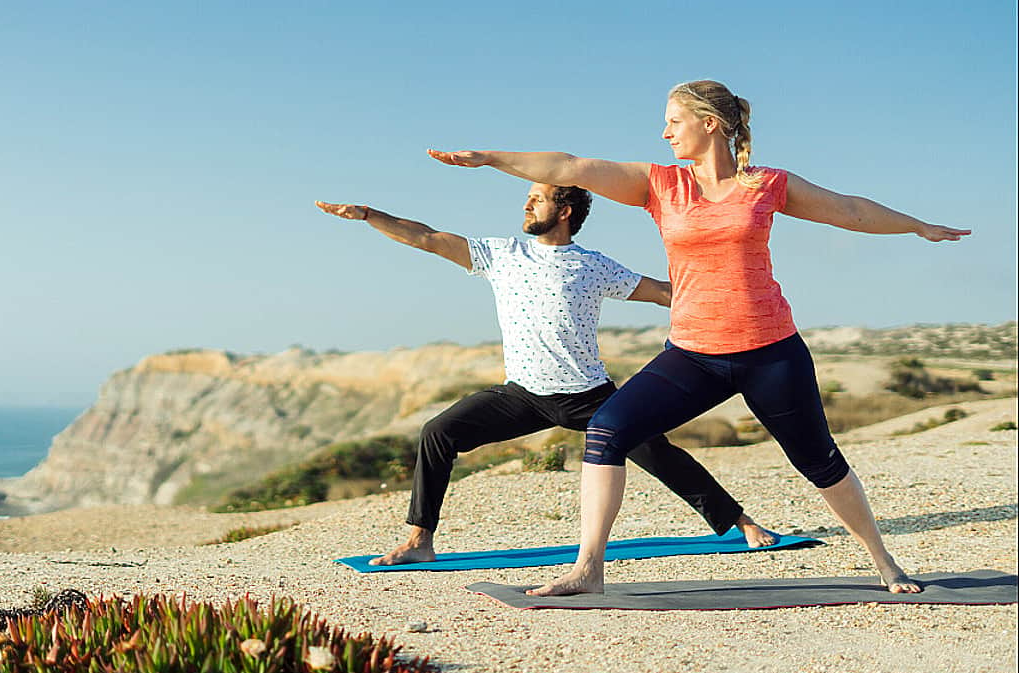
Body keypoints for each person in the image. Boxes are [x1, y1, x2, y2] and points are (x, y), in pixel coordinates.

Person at [430, 79, 970, 595]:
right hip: (694, 354)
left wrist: (917, 225)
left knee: (819, 461)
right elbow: (570, 166)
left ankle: (884, 561)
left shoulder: (765, 183)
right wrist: (489, 159)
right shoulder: (661, 185)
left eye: (673, 121)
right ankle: (588, 568)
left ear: (710, 124)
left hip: (770, 352)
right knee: (608, 429)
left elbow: (849, 211)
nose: (665, 133)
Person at [315, 181, 777, 566]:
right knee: (439, 432)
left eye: (537, 197)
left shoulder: (592, 266)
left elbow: (662, 292)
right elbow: (428, 237)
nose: (526, 203)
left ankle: (740, 523)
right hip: (523, 394)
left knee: (660, 455)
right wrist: (369, 215)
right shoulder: (502, 255)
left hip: (589, 396)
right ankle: (420, 541)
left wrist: (738, 294)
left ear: (565, 210)